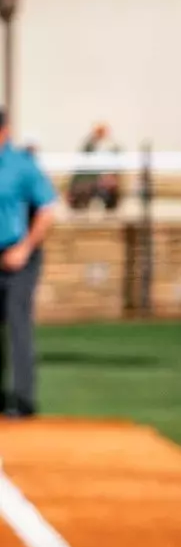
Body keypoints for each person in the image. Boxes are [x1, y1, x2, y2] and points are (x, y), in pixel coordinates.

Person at [0, 107, 57, 419]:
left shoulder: (21, 165)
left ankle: (23, 400)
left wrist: (24, 247)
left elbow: (47, 208)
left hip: (19, 255)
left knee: (17, 321)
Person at [66, 123, 122, 212]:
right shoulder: (88, 146)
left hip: (107, 180)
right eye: (98, 132)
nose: (100, 134)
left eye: (101, 131)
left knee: (108, 185)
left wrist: (109, 176)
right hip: (92, 178)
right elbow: (83, 166)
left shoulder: (113, 147)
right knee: (82, 185)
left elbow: (116, 166)